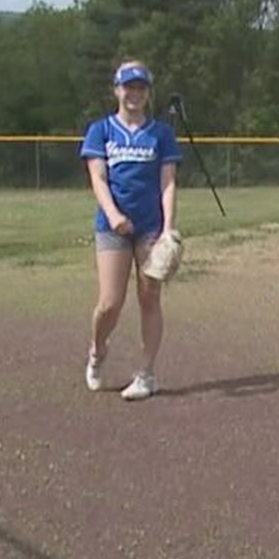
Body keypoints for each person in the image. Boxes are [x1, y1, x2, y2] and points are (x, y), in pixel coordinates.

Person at [80, 60, 181, 401]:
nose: (134, 93)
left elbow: (167, 182)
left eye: (141, 87)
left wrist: (168, 229)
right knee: (110, 303)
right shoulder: (102, 130)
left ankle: (147, 373)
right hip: (113, 225)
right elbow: (98, 177)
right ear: (117, 90)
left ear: (148, 93)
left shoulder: (161, 133)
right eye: (128, 86)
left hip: (149, 225)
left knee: (149, 296)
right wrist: (113, 214)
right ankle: (97, 350)